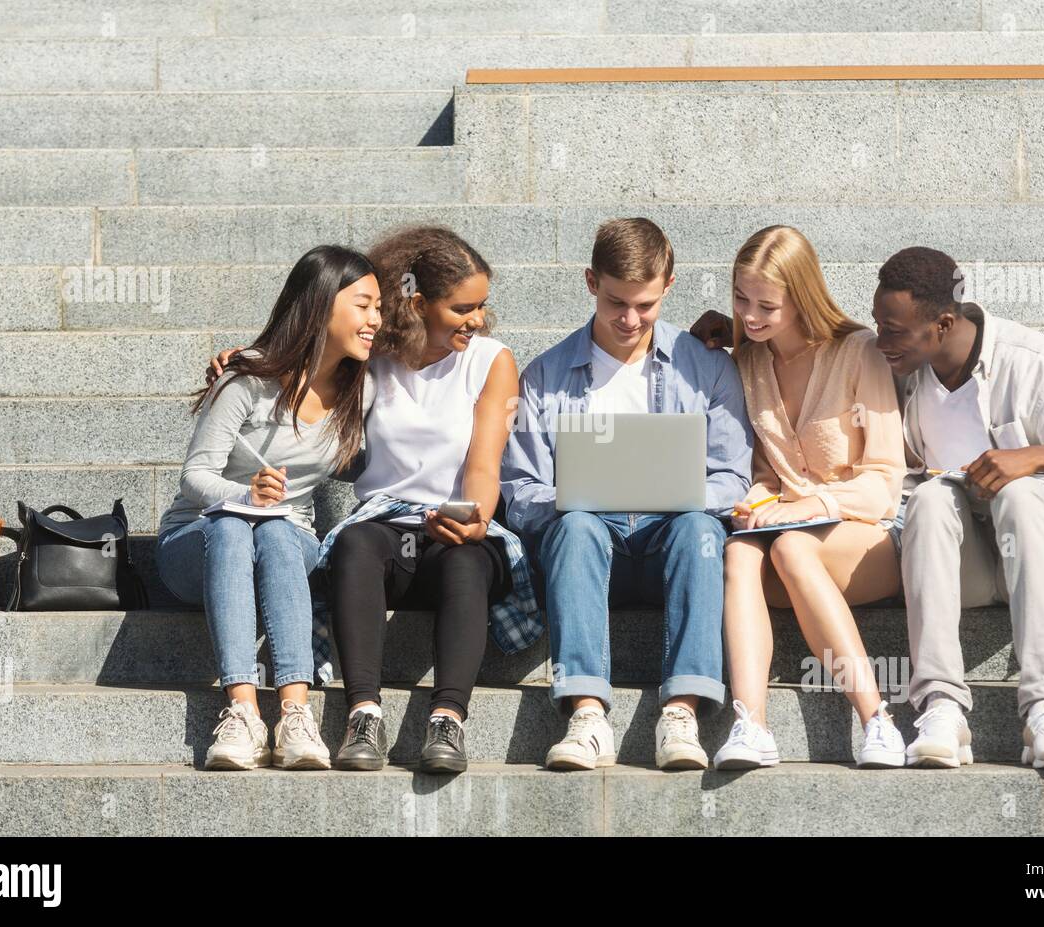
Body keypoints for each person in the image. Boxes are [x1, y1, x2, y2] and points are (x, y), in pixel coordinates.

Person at [209, 227, 541, 775]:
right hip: (383, 523)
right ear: (416, 304)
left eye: (482, 306)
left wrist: (475, 519)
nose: (477, 319)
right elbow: (301, 362)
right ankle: (363, 713)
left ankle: (448, 719)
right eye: (463, 307)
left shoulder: (491, 360)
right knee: (356, 543)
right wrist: (242, 362)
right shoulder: (369, 357)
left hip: (457, 523)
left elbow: (485, 463)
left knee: (466, 561)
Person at [872, 246, 1044, 769]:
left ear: (943, 323)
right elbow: (817, 334)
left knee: (1020, 491)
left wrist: (1041, 456)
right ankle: (942, 707)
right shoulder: (903, 365)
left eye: (894, 330)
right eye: (879, 325)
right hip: (962, 566)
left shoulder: (1033, 360)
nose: (880, 341)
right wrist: (732, 334)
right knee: (928, 498)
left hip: (1040, 553)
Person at [501, 217, 753, 771]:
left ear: (669, 285)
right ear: (591, 281)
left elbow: (734, 479)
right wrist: (575, 498)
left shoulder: (707, 367)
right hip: (589, 549)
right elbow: (519, 491)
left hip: (673, 540)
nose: (630, 320)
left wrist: (676, 494)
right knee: (575, 523)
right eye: (616, 302)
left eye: (645, 305)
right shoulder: (544, 375)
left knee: (702, 529)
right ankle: (588, 714)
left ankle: (682, 712)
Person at [690, 225, 909, 769]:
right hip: (787, 529)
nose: (751, 315)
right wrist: (754, 505)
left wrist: (809, 506)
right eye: (741, 299)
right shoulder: (747, 363)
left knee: (791, 547)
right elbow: (767, 473)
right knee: (739, 551)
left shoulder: (859, 353)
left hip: (869, 534)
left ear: (803, 297)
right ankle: (751, 725)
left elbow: (884, 480)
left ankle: (877, 720)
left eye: (768, 305)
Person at [158, 245, 380, 771]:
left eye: (379, 307)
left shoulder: (361, 390)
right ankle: (241, 714)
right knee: (235, 528)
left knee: (279, 532)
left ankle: (295, 715)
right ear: (321, 305)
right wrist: (244, 497)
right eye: (364, 305)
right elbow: (194, 478)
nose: (376, 319)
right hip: (198, 541)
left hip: (286, 540)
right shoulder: (246, 382)